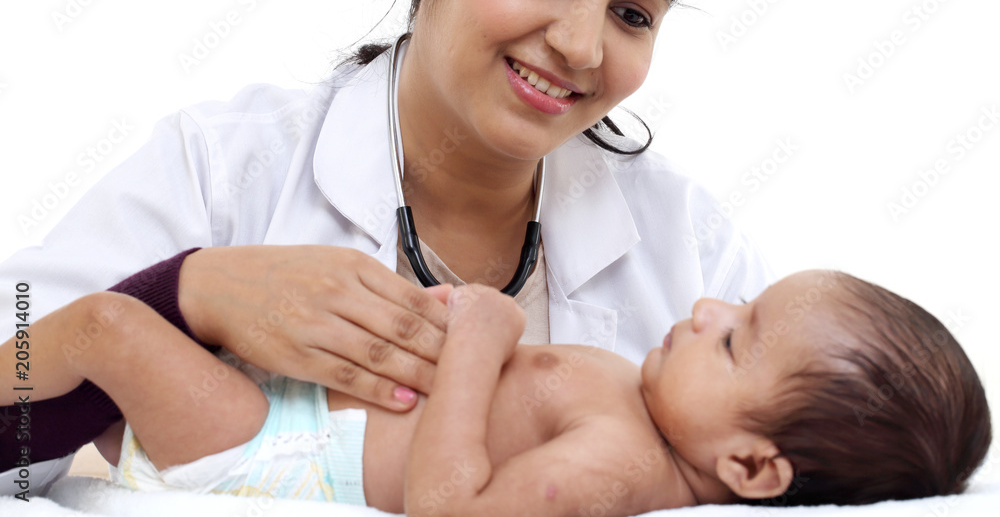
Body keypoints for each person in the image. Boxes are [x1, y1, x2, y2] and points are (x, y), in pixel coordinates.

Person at [0, 0, 773, 493]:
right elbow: (15, 436)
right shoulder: (224, 162)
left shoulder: (693, 245)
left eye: (633, 14)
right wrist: (182, 293)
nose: (581, 46)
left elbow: (816, 472)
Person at [1, 270, 992, 513]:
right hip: (288, 407)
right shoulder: (643, 411)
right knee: (106, 346)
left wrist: (477, 336)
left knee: (109, 327)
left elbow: (449, 509)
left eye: (734, 339)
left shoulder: (616, 466)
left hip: (278, 450)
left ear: (749, 465)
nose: (704, 304)